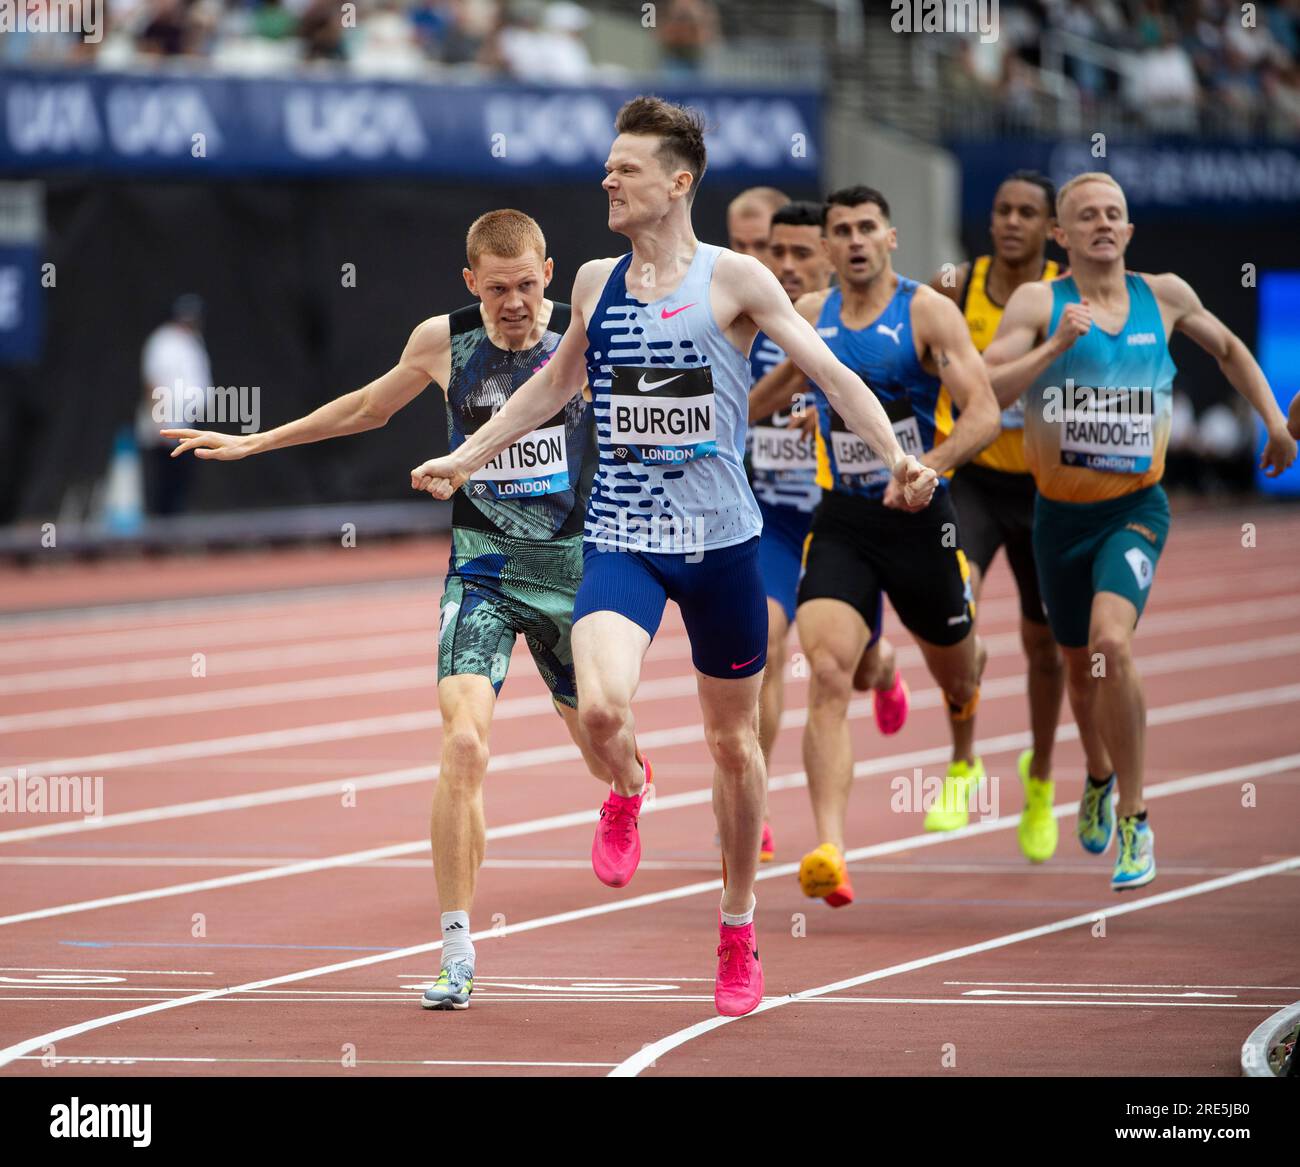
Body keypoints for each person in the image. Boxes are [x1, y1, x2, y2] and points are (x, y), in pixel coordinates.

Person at [410, 98, 937, 1016]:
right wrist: (466, 454)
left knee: (734, 745)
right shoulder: (589, 281)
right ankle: (626, 790)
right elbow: (551, 390)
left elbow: (829, 370)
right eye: (607, 168)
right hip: (622, 536)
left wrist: (896, 454)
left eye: (625, 169)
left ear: (677, 182)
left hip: (722, 545)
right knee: (604, 708)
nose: (607, 180)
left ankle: (737, 929)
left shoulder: (735, 281)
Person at [163, 209, 607, 1009]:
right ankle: (458, 949)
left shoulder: (583, 338)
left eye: (529, 286)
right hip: (483, 575)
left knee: (606, 750)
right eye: (498, 288)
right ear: (470, 283)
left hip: (577, 579)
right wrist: (255, 442)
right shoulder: (444, 341)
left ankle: (627, 792)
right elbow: (367, 406)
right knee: (463, 741)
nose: (514, 303)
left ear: (551, 269)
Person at [984, 171, 1297, 890]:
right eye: (1086, 214)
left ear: (1128, 231)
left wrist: (1276, 423)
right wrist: (1053, 349)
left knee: (1110, 644)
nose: (1101, 223)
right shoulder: (1041, 302)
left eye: (1114, 214)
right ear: (1060, 234)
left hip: (1135, 509)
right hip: (1057, 517)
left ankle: (1134, 813)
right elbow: (985, 386)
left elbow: (1229, 351)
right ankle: (1096, 771)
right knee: (1079, 673)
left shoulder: (1168, 295)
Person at [750, 185, 1000, 909]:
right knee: (826, 669)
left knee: (958, 671)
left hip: (924, 518)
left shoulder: (927, 312)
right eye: (842, 231)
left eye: (867, 228)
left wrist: (931, 468)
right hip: (847, 520)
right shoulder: (808, 314)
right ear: (826, 249)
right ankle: (830, 846)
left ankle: (961, 759)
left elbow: (982, 412)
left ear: (890, 238)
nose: (855, 241)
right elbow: (777, 388)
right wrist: (722, 424)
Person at [744, 200, 911, 865]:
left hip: (839, 520)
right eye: (768, 250)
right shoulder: (738, 322)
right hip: (770, 524)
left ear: (829, 257)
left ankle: (887, 663)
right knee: (763, 638)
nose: (782, 265)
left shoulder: (837, 325)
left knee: (853, 668)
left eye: (799, 253)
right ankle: (750, 796)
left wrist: (833, 421)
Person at [928, 170, 1065, 861]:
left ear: (1052, 228)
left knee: (1045, 645)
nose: (1012, 221)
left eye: (1028, 212)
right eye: (1002, 209)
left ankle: (1039, 777)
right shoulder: (955, 284)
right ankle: (962, 763)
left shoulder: (1069, 298)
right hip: (975, 482)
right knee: (959, 615)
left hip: (1046, 487)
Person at [138, 294, 210, 517]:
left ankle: (173, 529)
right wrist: (158, 420)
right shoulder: (164, 341)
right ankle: (160, 535)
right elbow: (153, 381)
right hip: (167, 423)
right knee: (165, 481)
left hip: (186, 421)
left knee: (182, 479)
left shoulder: (191, 342)